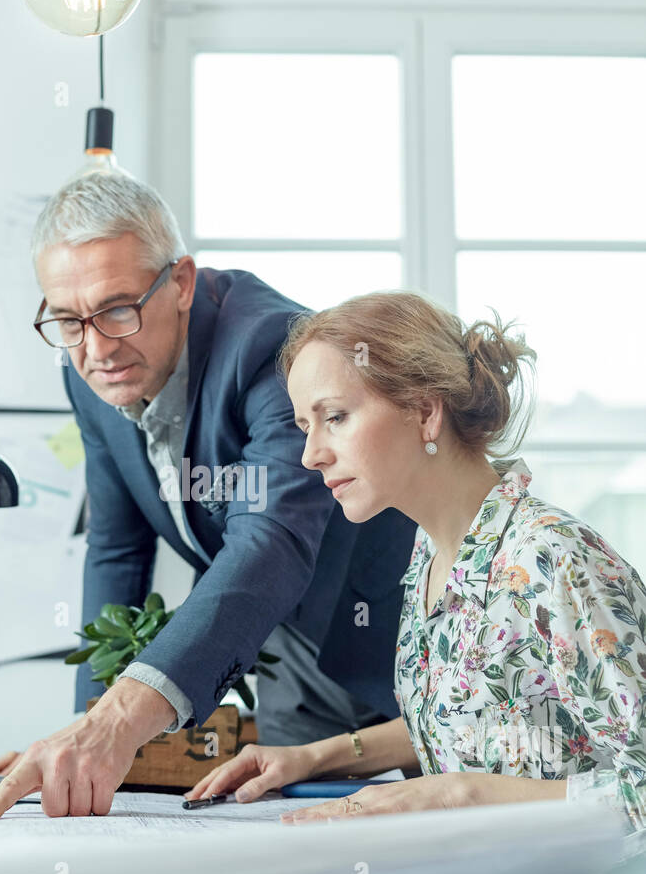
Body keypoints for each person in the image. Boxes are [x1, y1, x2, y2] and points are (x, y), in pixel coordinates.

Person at [0, 174, 415, 820]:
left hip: (394, 632)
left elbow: (269, 540)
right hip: (284, 641)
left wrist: (120, 723)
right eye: (68, 320)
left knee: (439, 835)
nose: (96, 348)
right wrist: (84, 734)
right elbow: (116, 550)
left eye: (118, 309)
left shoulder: (275, 348)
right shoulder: (91, 373)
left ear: (180, 281)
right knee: (306, 841)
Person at [186, 290, 646, 845]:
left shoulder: (555, 561)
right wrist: (314, 757)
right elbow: (477, 722)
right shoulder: (428, 555)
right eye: (305, 426)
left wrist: (461, 794)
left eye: (335, 417)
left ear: (426, 412)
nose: (311, 455)